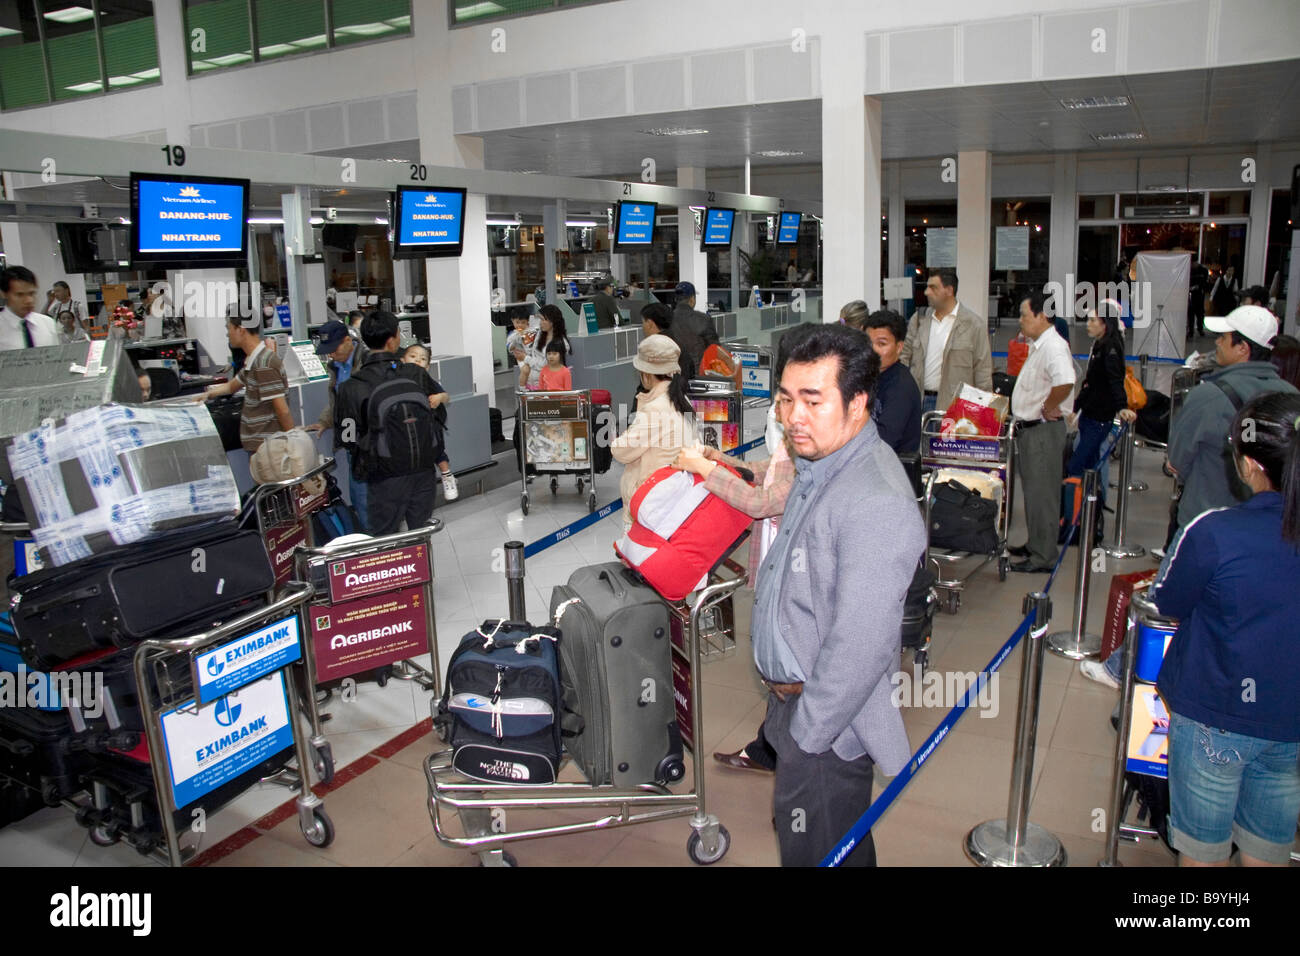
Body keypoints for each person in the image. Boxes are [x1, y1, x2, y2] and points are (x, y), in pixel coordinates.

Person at [752, 324, 925, 866]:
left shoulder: (873, 496)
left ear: (858, 403)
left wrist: (808, 733)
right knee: (834, 844)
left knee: (817, 849)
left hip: (827, 725)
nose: (793, 416)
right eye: (785, 399)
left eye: (812, 400)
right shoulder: (822, 462)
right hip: (794, 704)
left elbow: (864, 643)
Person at [1146, 392, 1300, 867]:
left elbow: (1168, 600)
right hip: (1290, 721)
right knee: (1267, 850)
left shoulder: (1213, 531)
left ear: (1251, 465)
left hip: (1215, 710)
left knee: (1202, 853)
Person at [1167, 306, 1297, 531]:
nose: (1217, 342)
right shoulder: (1291, 398)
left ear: (1242, 348)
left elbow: (1177, 462)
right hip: (1273, 528)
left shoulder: (1206, 397)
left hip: (1207, 524)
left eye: (1223, 337)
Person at [336, 311, 444, 535]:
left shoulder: (352, 386)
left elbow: (347, 438)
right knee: (420, 536)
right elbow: (439, 412)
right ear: (393, 338)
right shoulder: (415, 373)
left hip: (382, 477)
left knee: (385, 541)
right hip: (422, 471)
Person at [1006, 291, 1077, 573]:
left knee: (1043, 494)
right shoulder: (1040, 344)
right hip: (1031, 431)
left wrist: (1049, 405)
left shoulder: (1054, 347)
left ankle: (1043, 557)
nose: (1020, 321)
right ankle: (1036, 543)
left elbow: (1066, 382)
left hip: (1043, 432)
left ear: (1042, 315)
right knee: (1033, 493)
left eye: (1024, 315)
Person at [611, 335, 695, 530]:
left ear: (646, 374)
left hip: (648, 504)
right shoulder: (683, 401)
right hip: (675, 499)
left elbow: (621, 451)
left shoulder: (655, 408)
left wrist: (617, 438)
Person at [1067, 301, 1136, 514]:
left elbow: (1115, 381)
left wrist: (1122, 406)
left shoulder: (1111, 348)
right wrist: (1076, 408)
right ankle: (1090, 510)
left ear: (1105, 323)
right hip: (1089, 415)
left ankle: (1076, 514)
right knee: (1091, 463)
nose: (1088, 324)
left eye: (1092, 320)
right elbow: (1089, 383)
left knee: (1077, 465)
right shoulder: (1099, 345)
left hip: (1100, 419)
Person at [305, 319, 373, 521]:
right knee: (357, 489)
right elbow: (337, 398)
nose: (331, 354)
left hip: (370, 435)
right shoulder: (335, 366)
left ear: (347, 341)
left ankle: (375, 538)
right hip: (351, 434)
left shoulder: (367, 361)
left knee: (367, 490)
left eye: (334, 349)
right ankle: (366, 534)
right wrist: (326, 420)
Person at [900, 268, 993, 414]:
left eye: (933, 287)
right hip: (918, 403)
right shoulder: (919, 320)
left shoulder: (973, 325)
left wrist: (982, 412)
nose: (926, 292)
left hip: (954, 408)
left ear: (949, 290)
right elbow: (904, 358)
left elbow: (983, 372)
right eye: (927, 287)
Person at [199, 316, 294, 454]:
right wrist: (207, 394)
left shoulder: (264, 364)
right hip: (261, 446)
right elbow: (232, 386)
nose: (227, 333)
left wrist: (294, 441)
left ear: (241, 330)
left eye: (229, 328)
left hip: (269, 447)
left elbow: (282, 410)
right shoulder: (254, 361)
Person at [401, 343, 458, 501]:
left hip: (430, 423)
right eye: (413, 357)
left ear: (427, 366)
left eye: (423, 359)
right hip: (408, 428)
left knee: (437, 448)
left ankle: (447, 476)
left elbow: (446, 396)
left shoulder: (427, 381)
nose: (417, 361)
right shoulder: (396, 382)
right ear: (402, 360)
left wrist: (439, 398)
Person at [862, 309, 922, 454]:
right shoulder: (872, 376)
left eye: (882, 344)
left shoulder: (901, 387)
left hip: (893, 469)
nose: (873, 350)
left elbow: (884, 440)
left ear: (899, 347)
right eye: (869, 343)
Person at [0, 266, 59, 350]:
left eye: (32, 293)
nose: (29, 300)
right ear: (3, 294)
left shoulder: (47, 323)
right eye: (19, 295)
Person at [641, 301, 702, 381]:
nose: (642, 327)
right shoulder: (680, 345)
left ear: (650, 324)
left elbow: (647, 386)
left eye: (643, 322)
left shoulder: (653, 350)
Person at [671, 281, 719, 358]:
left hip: (673, 368)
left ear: (676, 300)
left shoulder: (667, 319)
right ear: (692, 299)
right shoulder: (704, 319)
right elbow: (714, 348)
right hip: (697, 368)